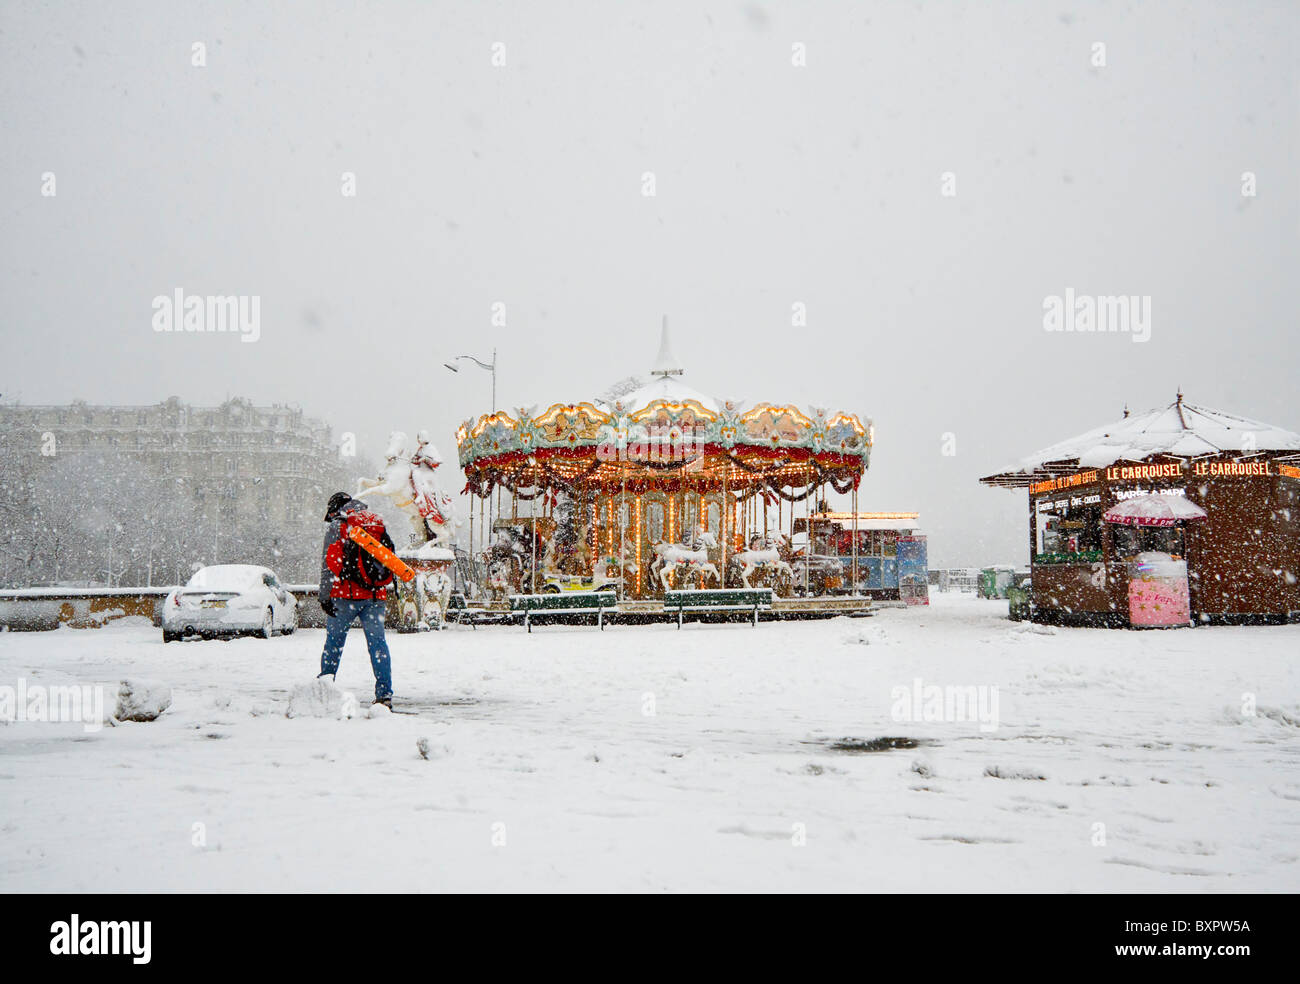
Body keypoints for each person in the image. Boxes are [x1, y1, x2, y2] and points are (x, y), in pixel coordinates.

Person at [317, 492, 396, 708]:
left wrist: (325, 596)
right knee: (378, 645)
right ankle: (384, 694)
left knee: (334, 644)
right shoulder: (375, 521)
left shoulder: (338, 525)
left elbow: (330, 563)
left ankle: (325, 687)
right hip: (375, 595)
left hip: (345, 596)